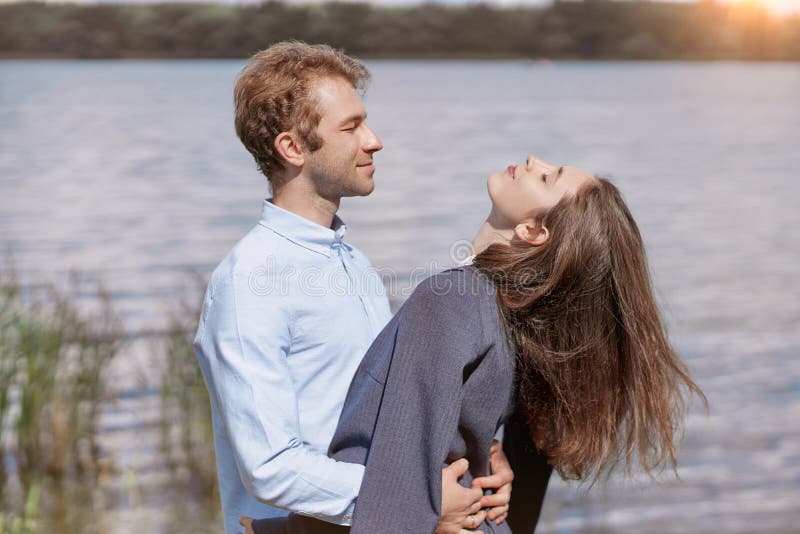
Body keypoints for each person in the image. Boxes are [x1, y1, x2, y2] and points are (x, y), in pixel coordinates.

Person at [246, 155, 706, 533]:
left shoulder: (448, 303)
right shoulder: (514, 316)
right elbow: (505, 461)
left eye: (547, 177)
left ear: (534, 231)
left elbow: (401, 466)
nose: (532, 161)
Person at [194, 41, 512, 534]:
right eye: (351, 127)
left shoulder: (350, 259)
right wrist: (421, 503)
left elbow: (393, 404)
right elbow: (271, 466)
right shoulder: (248, 284)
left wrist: (484, 462)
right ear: (293, 148)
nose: (374, 140)